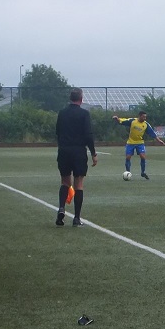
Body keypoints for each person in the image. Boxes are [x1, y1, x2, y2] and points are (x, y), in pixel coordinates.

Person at [55, 87, 97, 227]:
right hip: (79, 151)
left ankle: (61, 208)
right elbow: (88, 135)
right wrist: (93, 153)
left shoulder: (62, 113)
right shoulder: (84, 114)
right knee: (78, 184)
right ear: (81, 98)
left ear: (70, 98)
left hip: (64, 150)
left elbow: (58, 131)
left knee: (65, 182)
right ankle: (77, 218)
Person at [113, 110, 165, 179]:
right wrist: (117, 119)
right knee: (128, 157)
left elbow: (152, 133)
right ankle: (128, 172)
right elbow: (123, 121)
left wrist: (159, 140)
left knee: (143, 157)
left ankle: (143, 172)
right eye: (143, 117)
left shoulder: (146, 124)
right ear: (139, 116)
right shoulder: (133, 121)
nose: (145, 118)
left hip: (140, 143)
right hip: (131, 142)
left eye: (145, 117)